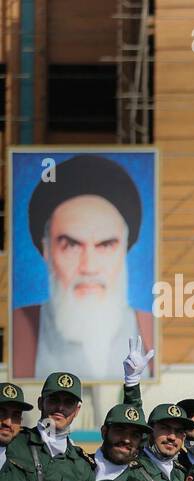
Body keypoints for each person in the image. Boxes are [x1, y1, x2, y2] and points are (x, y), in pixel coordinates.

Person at [12, 154, 155, 381]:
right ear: (47, 249)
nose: (88, 267)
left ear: (124, 249)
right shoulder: (21, 328)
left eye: (105, 245)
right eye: (71, 245)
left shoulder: (150, 332)